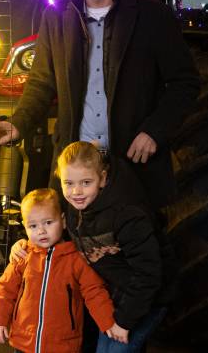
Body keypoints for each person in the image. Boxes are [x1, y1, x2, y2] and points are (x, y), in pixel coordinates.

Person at [0, 0, 200, 209]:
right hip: (75, 172)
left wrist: (154, 131)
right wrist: (18, 124)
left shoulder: (154, 17)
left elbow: (185, 84)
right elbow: (41, 83)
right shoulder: (56, 17)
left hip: (133, 169)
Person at [56, 142, 169, 352]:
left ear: (102, 178)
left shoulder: (126, 214)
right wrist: (24, 244)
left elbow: (149, 274)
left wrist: (124, 322)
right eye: (68, 183)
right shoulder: (73, 207)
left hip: (147, 296)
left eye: (86, 182)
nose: (76, 191)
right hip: (115, 292)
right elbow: (49, 226)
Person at [0, 188, 121, 353]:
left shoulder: (76, 258)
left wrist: (108, 322)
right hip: (24, 341)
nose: (41, 231)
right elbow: (5, 289)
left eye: (48, 222)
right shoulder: (23, 255)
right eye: (33, 226)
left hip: (62, 344)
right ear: (25, 226)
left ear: (63, 221)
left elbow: (94, 291)